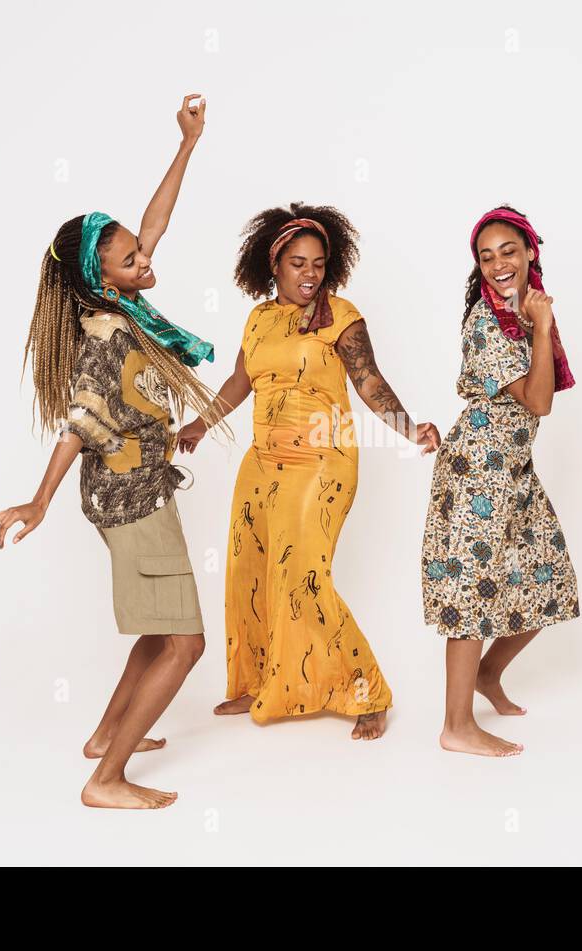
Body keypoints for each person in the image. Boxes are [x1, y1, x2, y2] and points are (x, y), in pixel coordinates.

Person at [0, 94, 231, 808]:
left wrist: (186, 144)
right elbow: (79, 421)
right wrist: (38, 499)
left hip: (136, 485)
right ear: (103, 277)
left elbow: (152, 224)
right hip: (129, 499)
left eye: (140, 249)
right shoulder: (106, 335)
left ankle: (103, 737)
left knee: (160, 630)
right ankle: (107, 779)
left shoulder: (121, 303)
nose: (145, 256)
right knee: (185, 645)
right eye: (130, 257)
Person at [177, 204, 439, 740]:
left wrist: (410, 429)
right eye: (298, 263)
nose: (310, 274)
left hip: (322, 461)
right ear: (273, 266)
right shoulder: (259, 319)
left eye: (318, 264)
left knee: (303, 575)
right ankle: (258, 683)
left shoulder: (340, 316)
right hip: (262, 460)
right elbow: (240, 381)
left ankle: (367, 690)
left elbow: (370, 382)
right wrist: (200, 426)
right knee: (248, 566)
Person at [421, 205, 580, 757]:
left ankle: (487, 676)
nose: (497, 264)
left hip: (514, 469)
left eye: (508, 251)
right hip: (477, 473)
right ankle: (456, 726)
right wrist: (542, 326)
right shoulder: (489, 323)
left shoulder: (522, 315)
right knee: (468, 594)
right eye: (485, 257)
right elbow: (539, 401)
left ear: (531, 251)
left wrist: (537, 324)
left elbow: (540, 399)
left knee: (550, 581)